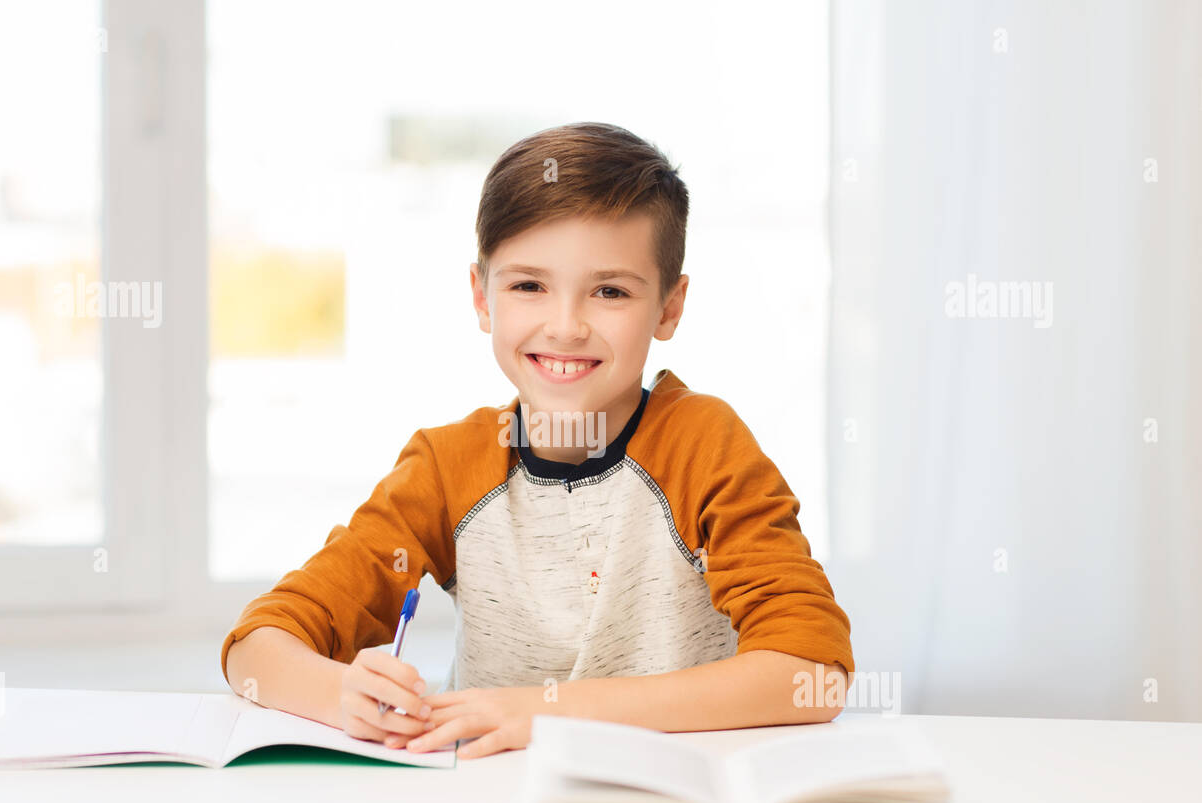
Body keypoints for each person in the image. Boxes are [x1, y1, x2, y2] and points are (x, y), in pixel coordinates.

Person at [221, 122, 853, 759]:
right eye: (529, 285)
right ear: (482, 297)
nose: (566, 326)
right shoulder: (448, 468)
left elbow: (813, 673)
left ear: (668, 307)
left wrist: (552, 715)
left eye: (610, 291)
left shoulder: (703, 446)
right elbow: (257, 646)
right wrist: (340, 695)